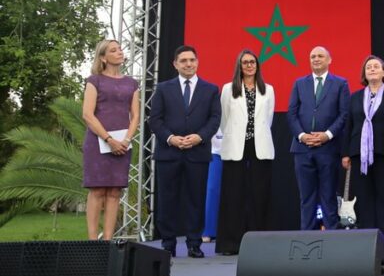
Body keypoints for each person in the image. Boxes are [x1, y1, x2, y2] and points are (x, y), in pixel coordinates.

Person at [149, 45, 221, 257]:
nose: (189, 64)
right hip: (168, 153)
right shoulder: (163, 88)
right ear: (175, 64)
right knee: (167, 200)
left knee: (195, 199)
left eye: (192, 60)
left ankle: (193, 244)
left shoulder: (210, 89)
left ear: (197, 62)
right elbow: (155, 120)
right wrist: (171, 138)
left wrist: (200, 137)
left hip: (197, 153)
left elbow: (215, 118)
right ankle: (168, 244)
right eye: (184, 61)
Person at [216, 50, 274, 255]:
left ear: (257, 65)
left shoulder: (268, 89)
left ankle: (260, 242)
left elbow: (268, 119)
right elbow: (224, 120)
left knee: (260, 195)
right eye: (245, 62)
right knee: (234, 195)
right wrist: (234, 135)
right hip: (235, 146)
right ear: (239, 66)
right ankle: (231, 243)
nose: (249, 65)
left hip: (260, 147)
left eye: (252, 62)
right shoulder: (227, 89)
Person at [81, 39, 140, 241]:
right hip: (98, 143)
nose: (119, 52)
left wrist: (125, 140)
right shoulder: (94, 80)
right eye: (113, 50)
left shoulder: (132, 83)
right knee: (97, 190)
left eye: (120, 49)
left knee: (115, 191)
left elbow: (135, 116)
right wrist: (108, 139)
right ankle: (92, 241)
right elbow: (88, 114)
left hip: (123, 144)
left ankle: (107, 240)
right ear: (103, 58)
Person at [287, 46, 351, 230]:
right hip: (302, 148)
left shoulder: (340, 84)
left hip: (328, 149)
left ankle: (331, 239)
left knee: (328, 196)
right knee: (306, 197)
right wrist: (302, 136)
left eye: (320, 56)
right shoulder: (299, 83)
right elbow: (292, 114)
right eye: (312, 56)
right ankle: (306, 238)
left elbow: (344, 114)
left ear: (329, 60)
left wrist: (327, 135)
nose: (316, 59)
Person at [342, 55, 384, 245]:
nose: (372, 69)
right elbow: (349, 125)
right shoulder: (355, 97)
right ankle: (366, 236)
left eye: (376, 66)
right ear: (364, 73)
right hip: (359, 154)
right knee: (364, 196)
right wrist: (346, 152)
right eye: (369, 67)